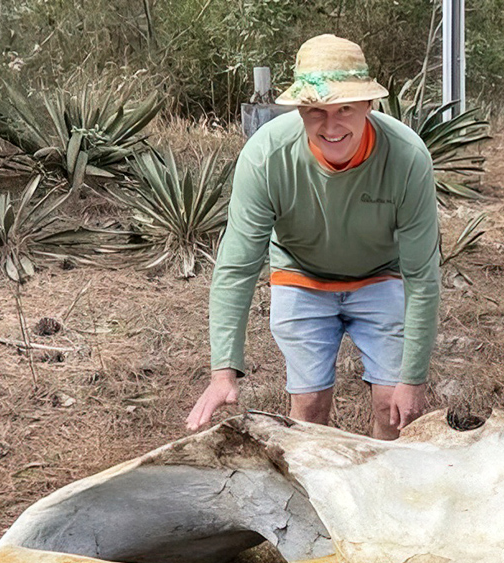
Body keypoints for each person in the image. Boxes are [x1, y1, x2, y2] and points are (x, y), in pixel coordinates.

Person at [186, 34, 440, 440]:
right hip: (300, 275)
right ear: (300, 110)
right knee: (309, 408)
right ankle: (312, 498)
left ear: (368, 106)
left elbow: (423, 276)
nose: (331, 125)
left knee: (393, 408)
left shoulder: (407, 157)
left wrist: (414, 378)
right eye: (316, 111)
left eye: (345, 109)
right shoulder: (266, 156)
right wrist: (223, 372)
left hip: (380, 275)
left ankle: (376, 495)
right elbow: (237, 266)